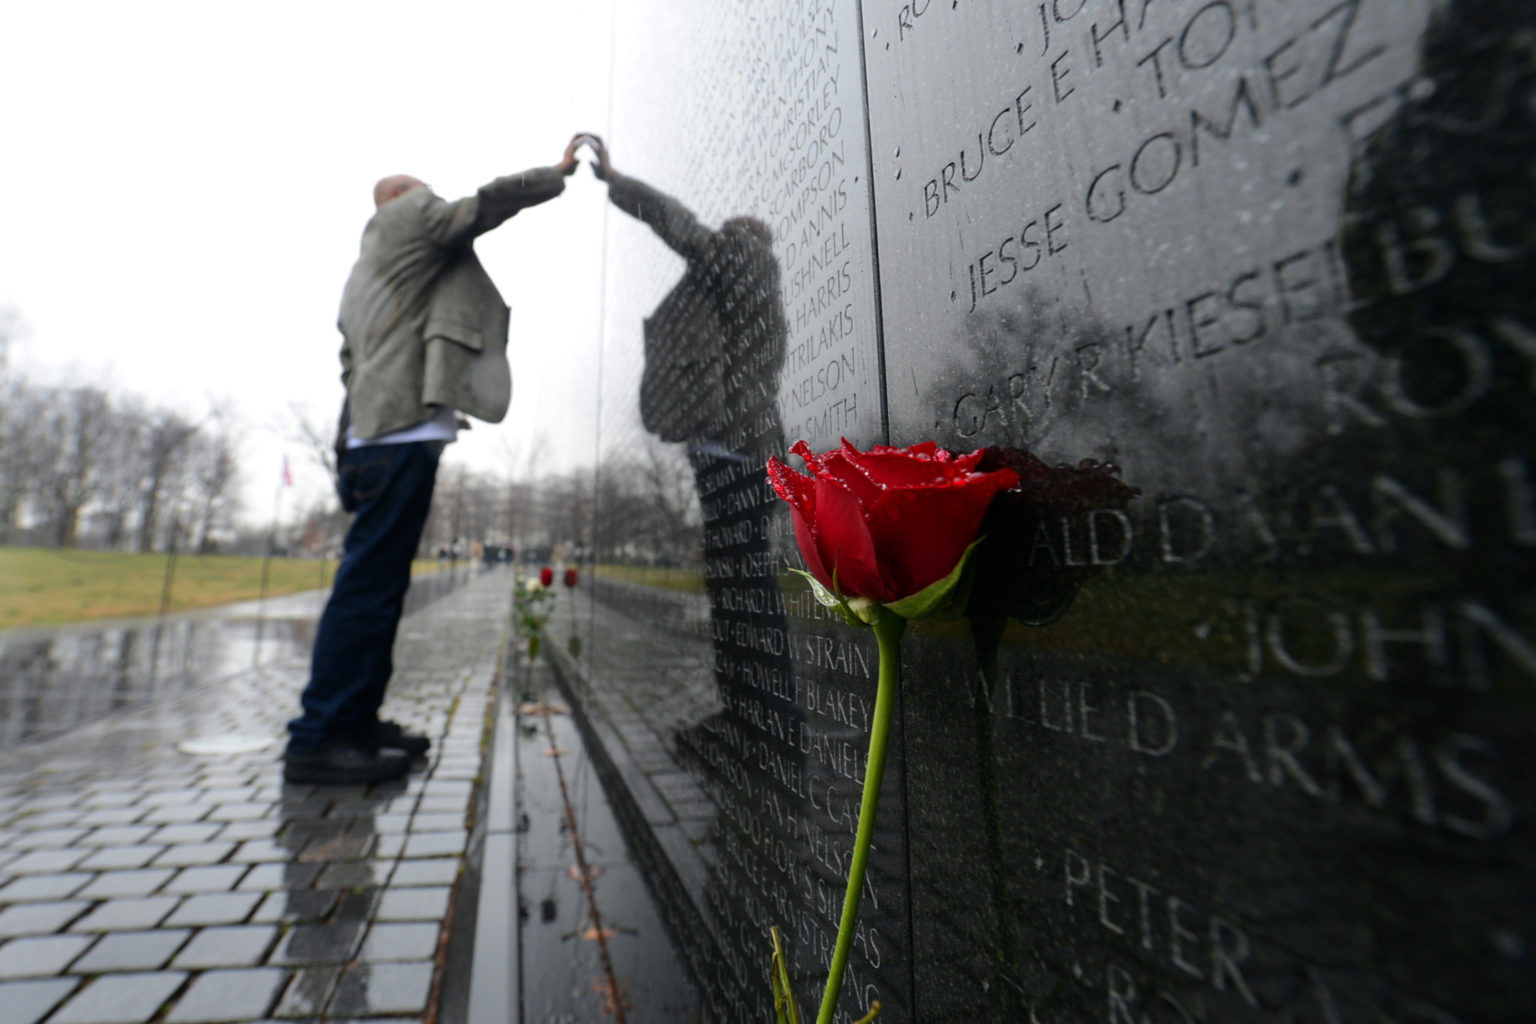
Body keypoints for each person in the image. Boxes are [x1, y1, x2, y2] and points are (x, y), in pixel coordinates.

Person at [285, 137, 583, 785]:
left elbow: (348, 363)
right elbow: (483, 205)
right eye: (426, 191)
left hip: (374, 437)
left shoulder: (366, 269)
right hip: (397, 437)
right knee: (367, 591)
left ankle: (353, 722)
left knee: (379, 589)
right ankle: (318, 735)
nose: (435, 200)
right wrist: (555, 174)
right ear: (401, 197)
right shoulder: (408, 216)